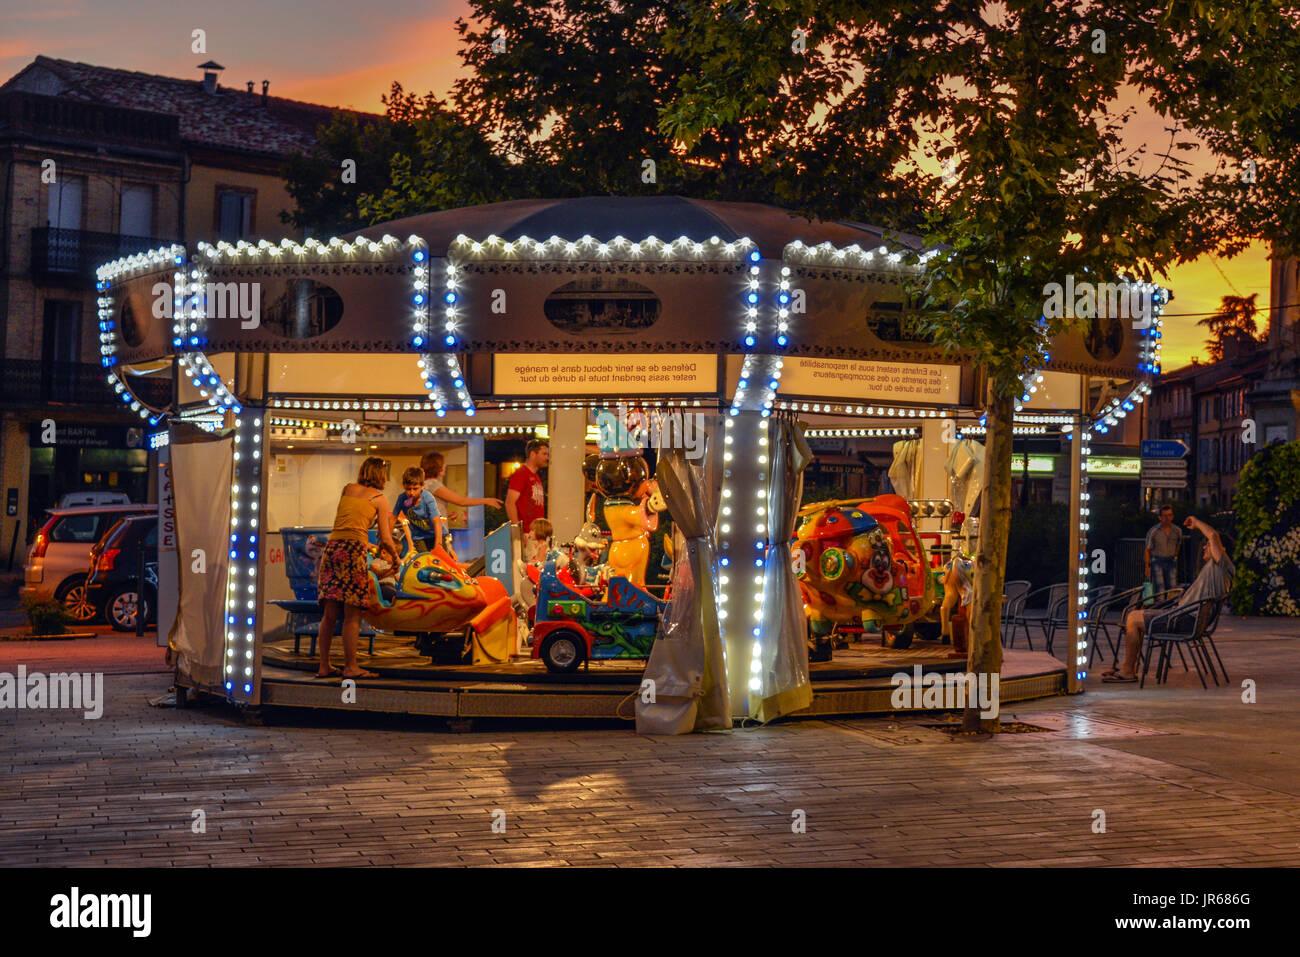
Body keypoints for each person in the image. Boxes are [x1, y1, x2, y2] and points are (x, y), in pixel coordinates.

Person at [1106, 516, 1234, 682]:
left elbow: (1213, 535)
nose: (1204, 547)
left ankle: (1128, 670)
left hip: (1184, 620)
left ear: (1221, 549)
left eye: (1208, 545)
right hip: (1184, 617)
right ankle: (1128, 667)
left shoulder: (1221, 566)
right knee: (1137, 615)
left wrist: (1196, 522)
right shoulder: (1220, 570)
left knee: (1132, 619)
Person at [315, 457, 401, 680]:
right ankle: (351, 667)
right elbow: (385, 537)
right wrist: (395, 557)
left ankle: (324, 666)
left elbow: (347, 521)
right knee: (352, 615)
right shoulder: (380, 499)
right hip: (353, 551)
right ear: (381, 475)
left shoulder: (348, 489)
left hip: (333, 548)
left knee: (330, 614)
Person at [420, 451, 503, 555]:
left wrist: (445, 515)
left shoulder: (426, 484)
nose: (445, 466)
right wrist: (487, 500)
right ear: (435, 466)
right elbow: (461, 501)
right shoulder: (433, 484)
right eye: (442, 464)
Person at [505, 439, 549, 530]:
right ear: (533, 454)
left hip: (535, 533)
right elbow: (510, 503)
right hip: (526, 533)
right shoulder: (521, 474)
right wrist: (518, 531)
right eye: (544, 454)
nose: (547, 458)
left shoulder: (536, 477)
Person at [1144, 505, 1184, 597]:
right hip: (1157, 560)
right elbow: (1147, 549)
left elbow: (1179, 544)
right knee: (1160, 586)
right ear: (1160, 517)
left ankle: (1172, 606)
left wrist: (1175, 556)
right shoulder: (1154, 531)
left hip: (1171, 560)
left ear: (1172, 517)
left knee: (1172, 586)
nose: (1167, 518)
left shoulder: (1177, 531)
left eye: (1169, 515)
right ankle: (1161, 605)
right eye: (1165, 516)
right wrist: (1147, 566)